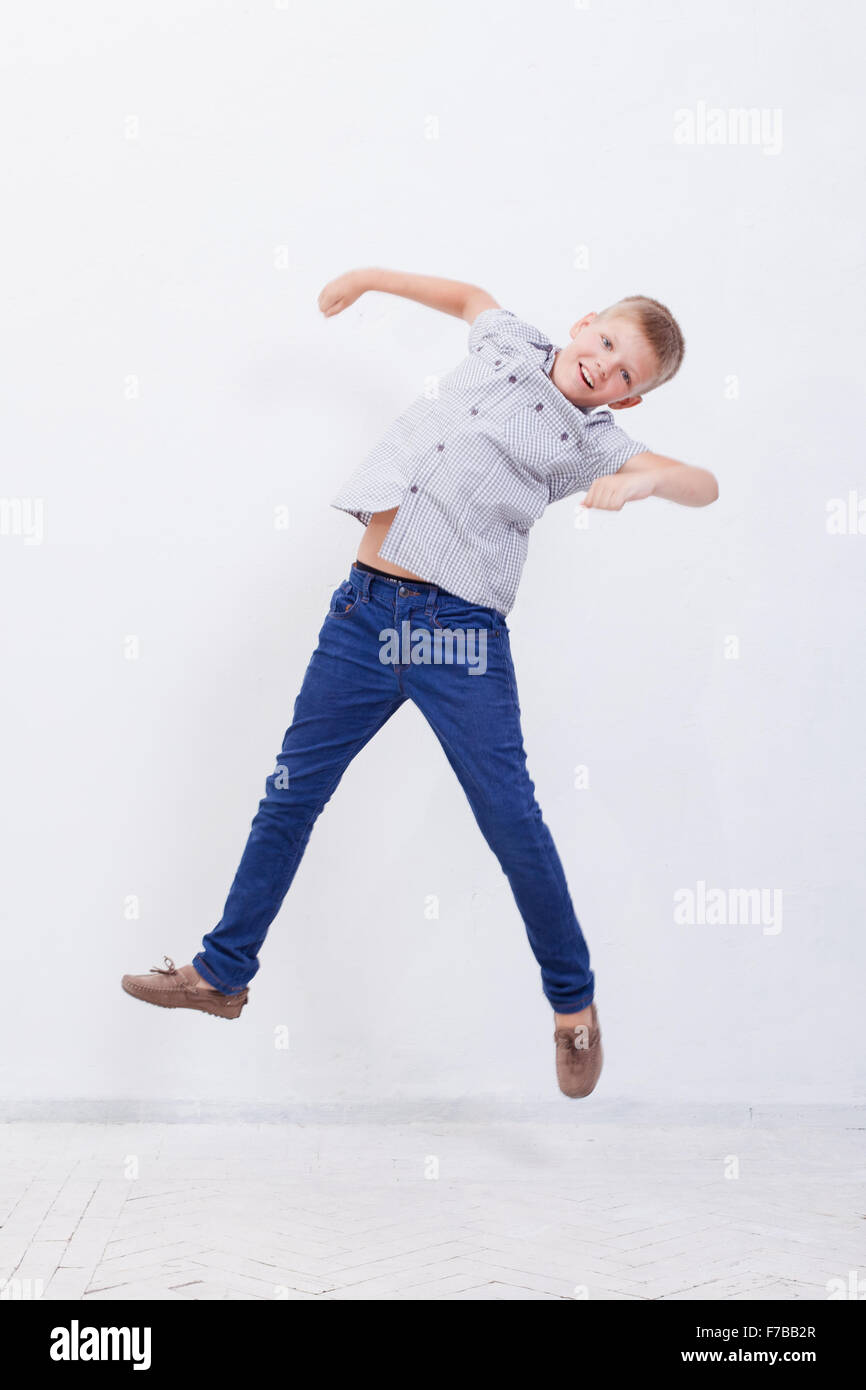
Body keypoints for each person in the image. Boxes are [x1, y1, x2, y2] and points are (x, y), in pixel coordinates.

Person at [122, 268, 718, 1098]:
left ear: (633, 400)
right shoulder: (511, 342)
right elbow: (471, 297)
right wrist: (368, 279)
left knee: (510, 817)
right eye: (608, 344)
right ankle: (221, 976)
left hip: (456, 638)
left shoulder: (591, 440)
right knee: (290, 795)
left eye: (628, 377)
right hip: (361, 615)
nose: (607, 368)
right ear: (584, 324)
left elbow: (704, 483)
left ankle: (572, 1006)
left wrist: (647, 479)